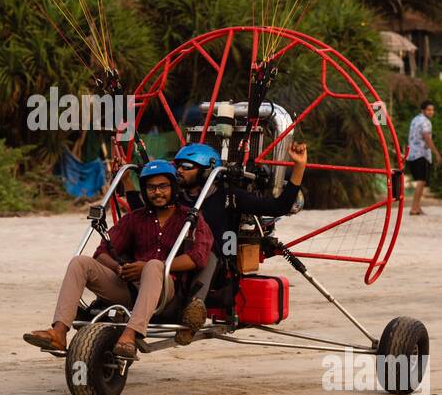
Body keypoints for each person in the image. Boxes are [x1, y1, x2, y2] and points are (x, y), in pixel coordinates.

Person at [23, 159, 213, 361]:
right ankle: (59, 333)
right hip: (130, 288)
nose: (157, 192)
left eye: (163, 186)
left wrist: (152, 268)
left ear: (173, 187)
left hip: (166, 292)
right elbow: (102, 251)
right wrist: (118, 267)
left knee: (153, 265)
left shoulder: (189, 217)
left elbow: (199, 258)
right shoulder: (135, 219)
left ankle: (129, 336)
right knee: (80, 262)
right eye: (151, 188)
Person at [173, 138, 308, 341]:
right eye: (177, 166)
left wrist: (299, 167)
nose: (179, 171)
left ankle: (193, 314)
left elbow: (278, 207)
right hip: (177, 262)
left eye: (186, 167)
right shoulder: (174, 198)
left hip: (216, 271)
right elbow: (141, 212)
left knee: (206, 254)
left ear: (207, 171)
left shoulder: (229, 197)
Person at [406, 100, 442, 215]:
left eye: (432, 110)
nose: (431, 112)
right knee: (421, 182)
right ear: (423, 110)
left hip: (412, 154)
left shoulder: (415, 120)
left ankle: (417, 207)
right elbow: (427, 137)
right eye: (429, 110)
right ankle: (414, 208)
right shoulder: (426, 122)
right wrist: (436, 153)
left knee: (420, 181)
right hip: (421, 154)